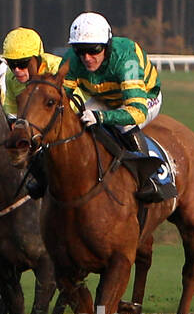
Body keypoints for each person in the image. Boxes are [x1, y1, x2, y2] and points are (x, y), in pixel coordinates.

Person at [61, 12, 175, 203]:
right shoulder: (72, 59)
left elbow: (137, 111)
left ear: (106, 45)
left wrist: (101, 118)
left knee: (125, 126)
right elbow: (62, 97)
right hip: (104, 99)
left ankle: (149, 179)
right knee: (75, 121)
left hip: (144, 98)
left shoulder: (125, 58)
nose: (87, 58)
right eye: (80, 51)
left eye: (94, 50)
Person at [0, 27, 63, 117]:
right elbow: (11, 110)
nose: (16, 70)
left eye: (22, 63)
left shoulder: (56, 69)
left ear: (38, 58)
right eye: (11, 63)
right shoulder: (10, 75)